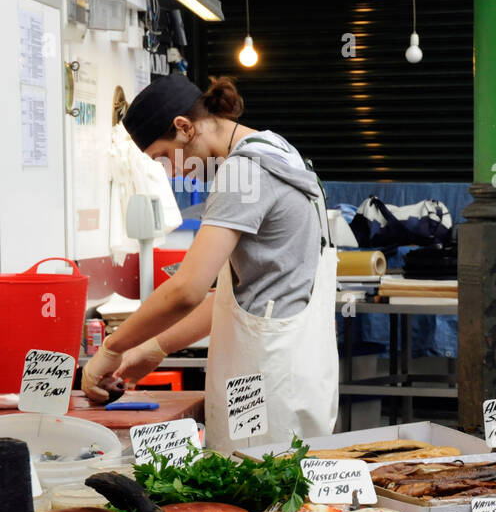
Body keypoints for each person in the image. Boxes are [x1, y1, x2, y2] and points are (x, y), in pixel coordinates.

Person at [80, 73, 338, 453]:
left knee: (256, 498)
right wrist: (155, 348)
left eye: (164, 157)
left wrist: (111, 349)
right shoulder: (278, 150)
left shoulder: (241, 173)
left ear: (184, 128)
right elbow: (235, 297)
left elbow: (187, 289)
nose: (171, 171)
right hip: (301, 369)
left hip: (266, 381)